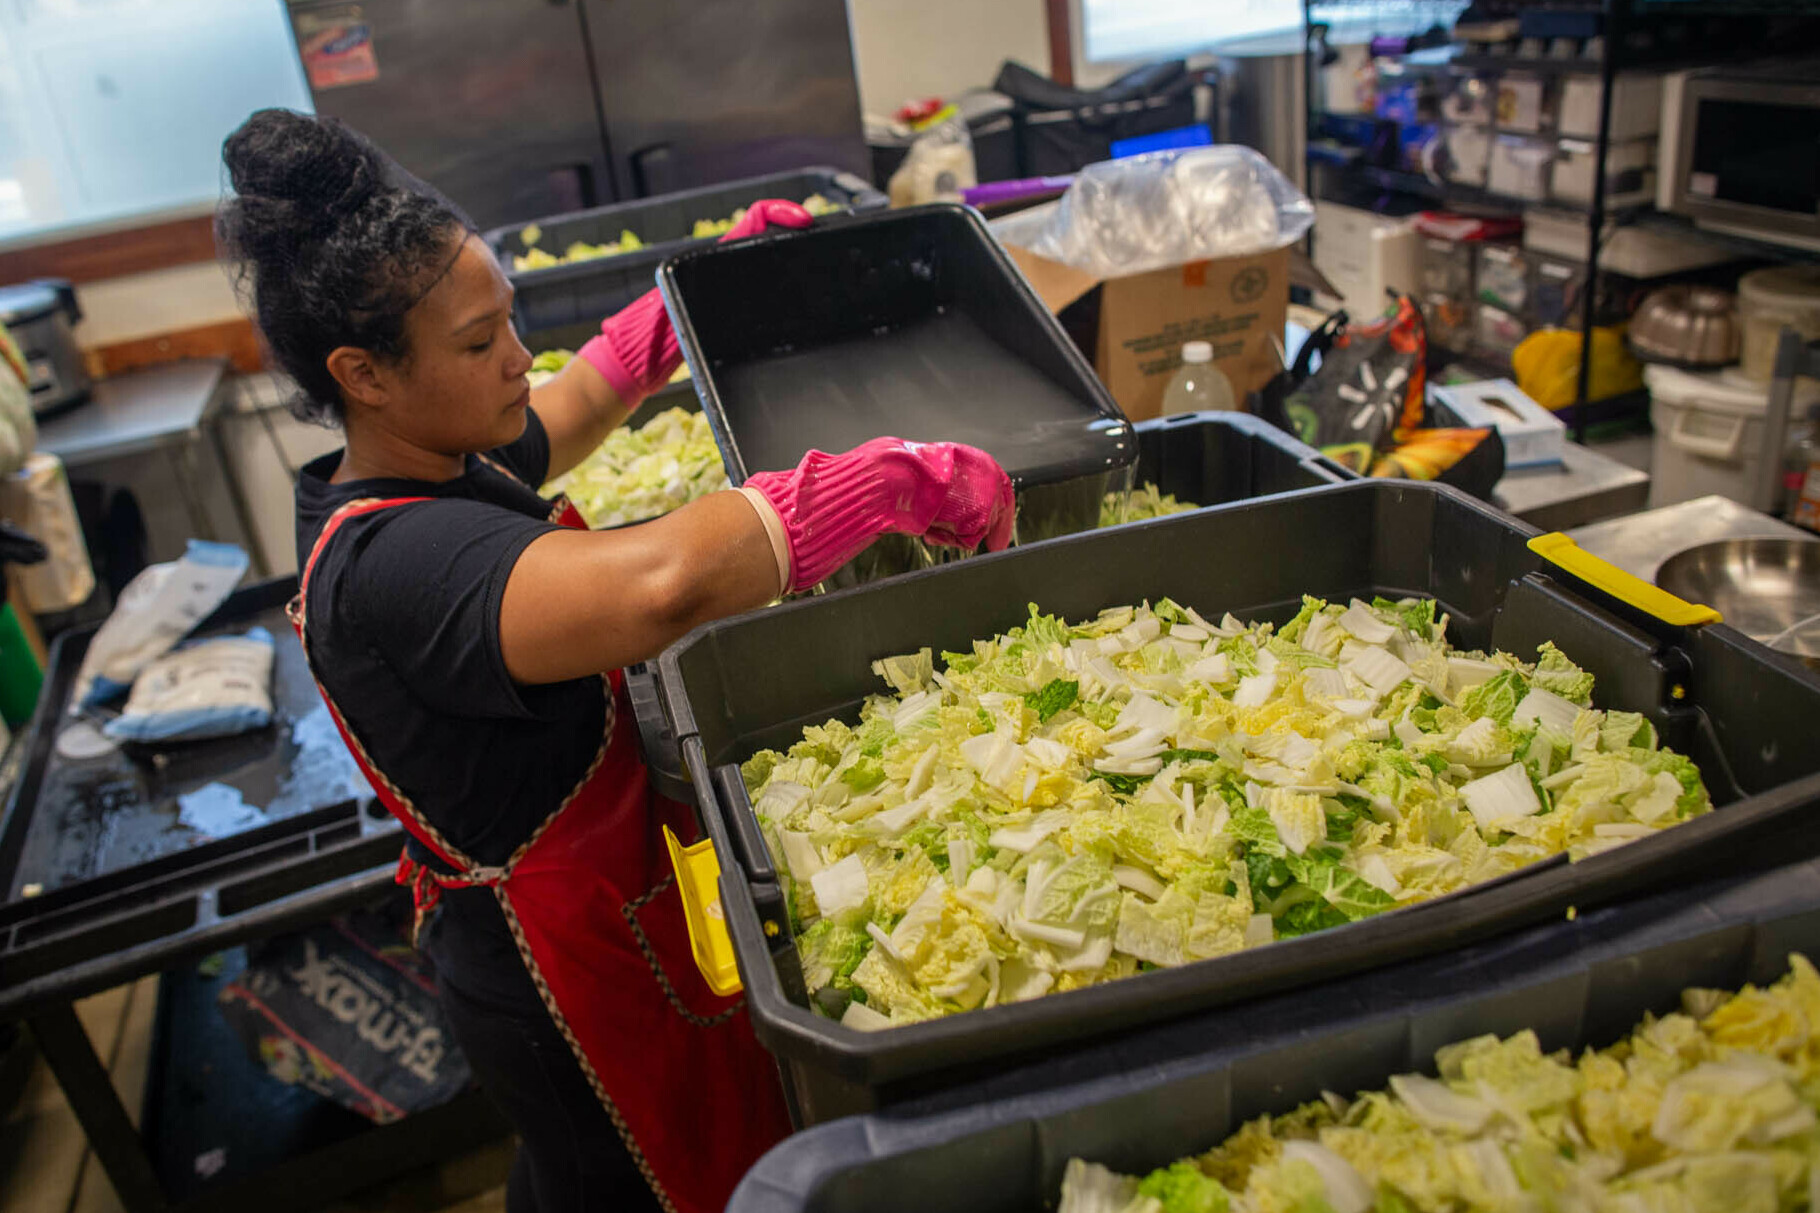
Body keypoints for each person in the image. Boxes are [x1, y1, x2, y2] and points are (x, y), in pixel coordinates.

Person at [216, 109, 1015, 1213]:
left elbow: (578, 400)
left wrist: (689, 291)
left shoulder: (434, 453)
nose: (518, 358)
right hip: (557, 982)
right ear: (364, 372)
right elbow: (662, 586)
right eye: (477, 342)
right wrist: (884, 483)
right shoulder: (398, 564)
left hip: (616, 911)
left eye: (509, 319)